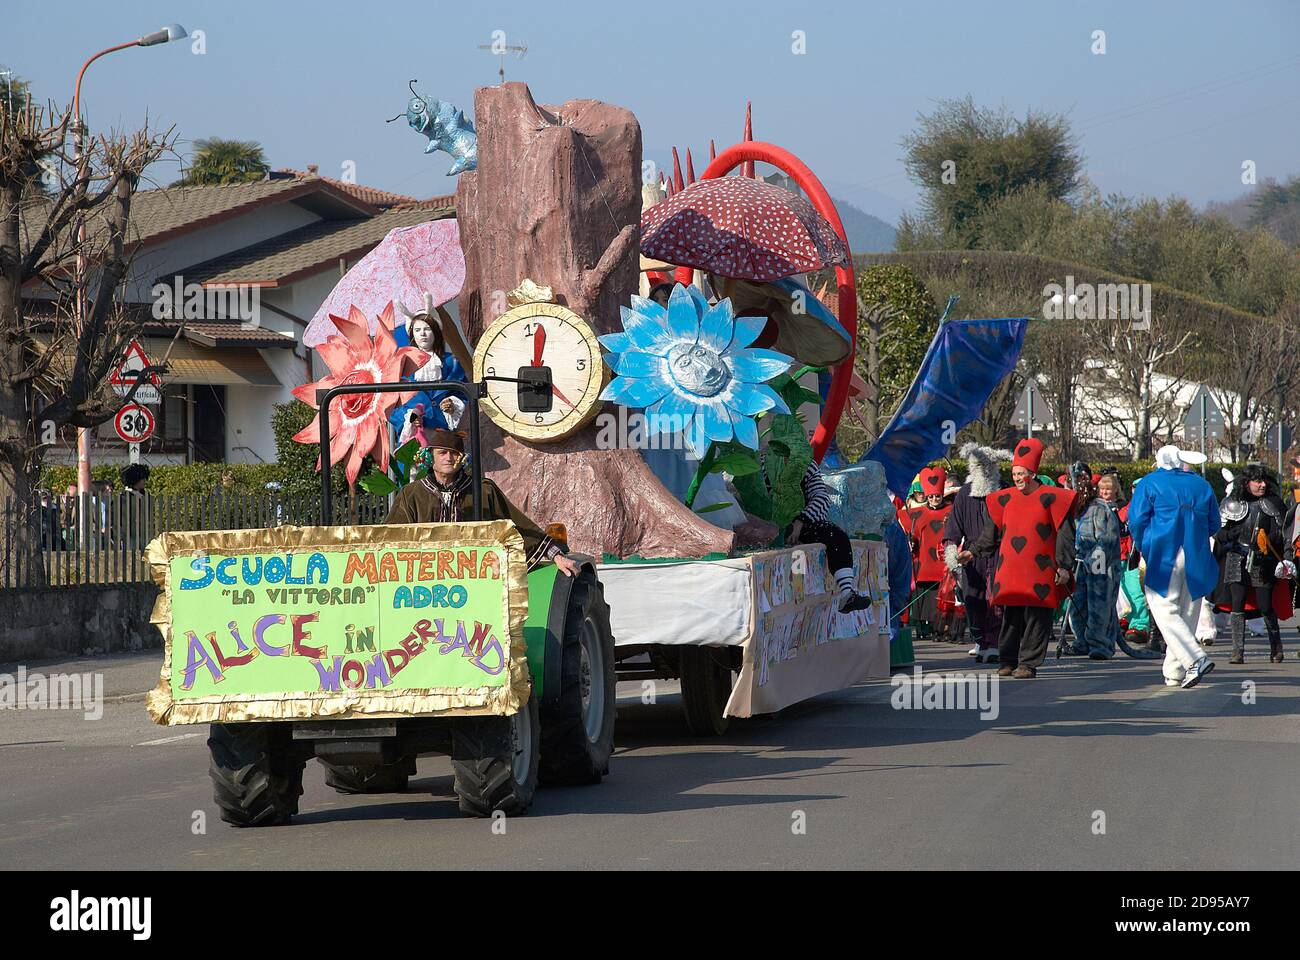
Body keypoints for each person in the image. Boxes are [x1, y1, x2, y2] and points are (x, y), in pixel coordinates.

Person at [386, 429, 579, 577]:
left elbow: (517, 525)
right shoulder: (411, 494)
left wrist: (555, 555)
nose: (448, 458)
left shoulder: (483, 490)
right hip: (424, 585)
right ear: (430, 457)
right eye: (442, 453)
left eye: (454, 453)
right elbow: (389, 537)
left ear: (462, 458)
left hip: (477, 580)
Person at [960, 437, 1076, 678]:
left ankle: (1028, 663)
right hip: (1011, 568)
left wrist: (1064, 566)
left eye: (1021, 473)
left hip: (1041, 569)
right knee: (1010, 616)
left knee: (1036, 617)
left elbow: (1065, 536)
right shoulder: (1003, 498)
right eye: (1014, 474)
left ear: (1032, 473)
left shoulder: (1053, 497)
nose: (1017, 478)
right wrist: (972, 552)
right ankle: (1008, 659)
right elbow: (989, 534)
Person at [1126, 445, 1221, 688]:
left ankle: (1195, 658)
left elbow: (1136, 520)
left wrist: (1147, 544)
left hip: (1164, 553)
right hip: (1197, 554)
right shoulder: (1201, 484)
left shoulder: (1149, 482)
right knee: (1188, 611)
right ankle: (1174, 672)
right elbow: (1214, 523)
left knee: (1164, 609)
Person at [1213, 462, 1292, 664]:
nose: (1262, 485)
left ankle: (1276, 648)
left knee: (1265, 606)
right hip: (1236, 558)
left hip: (1263, 560)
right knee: (1237, 603)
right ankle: (1237, 651)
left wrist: (1277, 548)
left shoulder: (1273, 503)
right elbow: (1219, 531)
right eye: (1258, 481)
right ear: (1247, 483)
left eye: (1264, 480)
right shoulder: (1232, 502)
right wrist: (1230, 537)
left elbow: (1285, 534)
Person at [944, 443, 1010, 664]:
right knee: (974, 599)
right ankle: (981, 639)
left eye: (989, 465)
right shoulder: (964, 494)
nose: (985, 470)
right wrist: (951, 549)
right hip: (972, 557)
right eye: (980, 465)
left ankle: (994, 642)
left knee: (996, 599)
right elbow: (954, 526)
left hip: (1000, 553)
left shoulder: (1004, 490)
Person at [787, 460, 874, 614]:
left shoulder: (806, 463)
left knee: (837, 536)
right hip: (771, 523)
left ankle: (847, 593)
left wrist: (801, 521)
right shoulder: (761, 461)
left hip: (805, 522)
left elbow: (821, 497)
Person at [389, 301, 468, 445]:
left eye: (427, 329)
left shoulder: (451, 362)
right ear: (412, 333)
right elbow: (389, 404)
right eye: (418, 330)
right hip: (414, 437)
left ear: (436, 332)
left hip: (444, 434)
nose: (423, 334)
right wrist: (408, 418)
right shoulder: (400, 365)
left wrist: (453, 404)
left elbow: (464, 393)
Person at [1069, 464, 1124, 659]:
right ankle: (1081, 641)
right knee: (1078, 604)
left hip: (1100, 566)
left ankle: (1101, 643)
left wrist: (1095, 557)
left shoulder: (1100, 509)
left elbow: (1106, 539)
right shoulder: (1077, 511)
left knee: (1099, 605)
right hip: (1080, 563)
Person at [900, 466, 953, 640]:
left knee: (944, 595)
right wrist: (910, 541)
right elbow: (910, 531)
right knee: (924, 597)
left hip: (944, 562)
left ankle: (942, 627)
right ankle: (924, 627)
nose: (935, 499)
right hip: (924, 562)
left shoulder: (951, 511)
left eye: (937, 496)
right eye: (931, 496)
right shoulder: (918, 513)